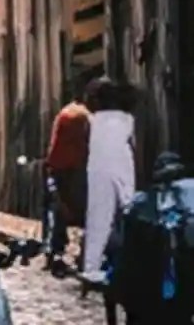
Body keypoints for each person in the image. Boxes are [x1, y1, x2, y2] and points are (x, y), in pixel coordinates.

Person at [81, 76, 137, 281]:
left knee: (98, 218)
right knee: (130, 211)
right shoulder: (127, 120)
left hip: (98, 167)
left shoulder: (93, 122)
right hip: (122, 162)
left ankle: (91, 267)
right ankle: (132, 262)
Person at [44, 79, 94, 269]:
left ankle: (54, 251)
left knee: (57, 212)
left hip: (61, 167)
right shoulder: (81, 116)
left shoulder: (67, 113)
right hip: (75, 170)